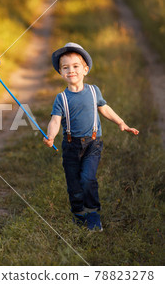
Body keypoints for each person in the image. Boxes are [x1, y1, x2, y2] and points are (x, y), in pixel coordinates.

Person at [43, 42, 139, 231]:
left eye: (76, 66)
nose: (71, 70)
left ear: (85, 69)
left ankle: (93, 213)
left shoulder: (94, 91)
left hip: (93, 143)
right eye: (65, 67)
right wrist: (51, 136)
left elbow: (105, 109)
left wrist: (121, 122)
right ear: (61, 73)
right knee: (73, 183)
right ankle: (78, 214)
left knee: (88, 178)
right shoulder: (61, 98)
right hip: (71, 146)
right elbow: (55, 120)